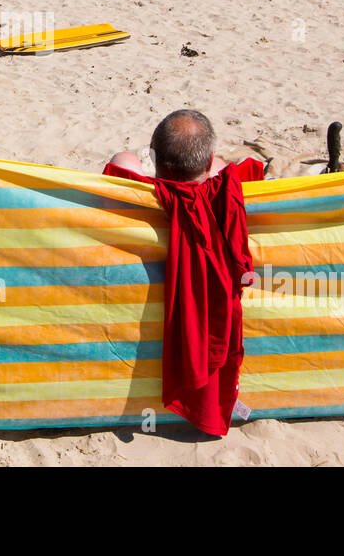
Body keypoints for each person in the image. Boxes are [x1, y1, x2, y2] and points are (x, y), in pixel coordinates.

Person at [103, 109, 264, 437]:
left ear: (155, 161)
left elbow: (122, 162)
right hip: (189, 171)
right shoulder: (230, 197)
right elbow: (237, 170)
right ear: (208, 164)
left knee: (123, 155)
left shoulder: (132, 196)